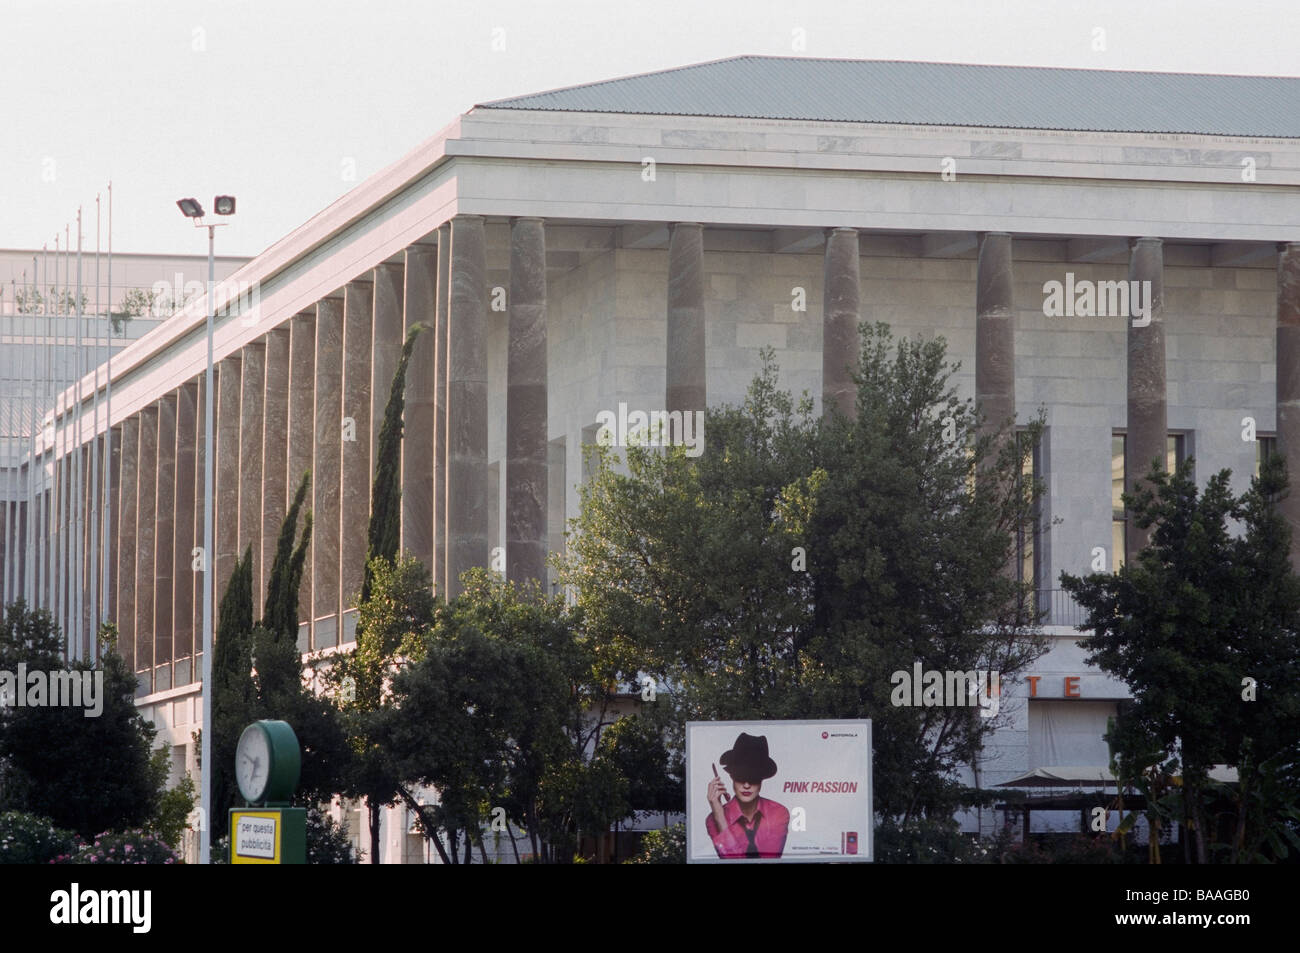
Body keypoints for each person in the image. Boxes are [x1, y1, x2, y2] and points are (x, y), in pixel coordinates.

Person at [705, 732, 790, 858]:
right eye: (740, 776)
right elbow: (731, 861)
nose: (746, 785)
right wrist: (720, 817)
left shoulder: (779, 813)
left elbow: (768, 860)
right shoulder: (713, 819)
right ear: (731, 776)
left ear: (762, 779)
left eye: (753, 778)